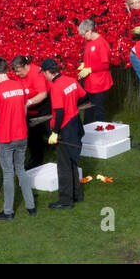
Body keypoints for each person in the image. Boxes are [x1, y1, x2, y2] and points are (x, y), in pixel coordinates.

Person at [0, 57, 35, 220]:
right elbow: (25, 110)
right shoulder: (19, 86)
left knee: (8, 174)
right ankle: (31, 206)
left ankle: (8, 211)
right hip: (22, 135)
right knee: (21, 169)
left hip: (6, 137)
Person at [42, 59, 85, 209]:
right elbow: (83, 95)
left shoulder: (55, 87)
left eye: (44, 74)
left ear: (48, 72)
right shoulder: (71, 80)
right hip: (75, 123)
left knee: (64, 165)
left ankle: (66, 201)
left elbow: (59, 112)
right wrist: (72, 104)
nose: (45, 77)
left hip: (65, 127)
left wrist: (54, 132)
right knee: (72, 160)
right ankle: (77, 195)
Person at [11, 55, 51, 168]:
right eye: (15, 72)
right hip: (30, 106)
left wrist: (27, 103)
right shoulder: (19, 75)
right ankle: (36, 159)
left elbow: (43, 94)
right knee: (32, 133)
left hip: (43, 104)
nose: (17, 74)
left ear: (25, 66)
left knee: (48, 129)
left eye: (18, 71)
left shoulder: (36, 73)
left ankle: (58, 149)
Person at [77, 19, 112, 123]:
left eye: (84, 34)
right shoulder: (89, 42)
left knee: (98, 109)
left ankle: (101, 131)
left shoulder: (101, 43)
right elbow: (90, 58)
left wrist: (90, 69)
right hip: (90, 82)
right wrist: (84, 64)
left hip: (99, 82)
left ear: (89, 31)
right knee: (88, 108)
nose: (83, 36)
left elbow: (105, 65)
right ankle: (86, 131)